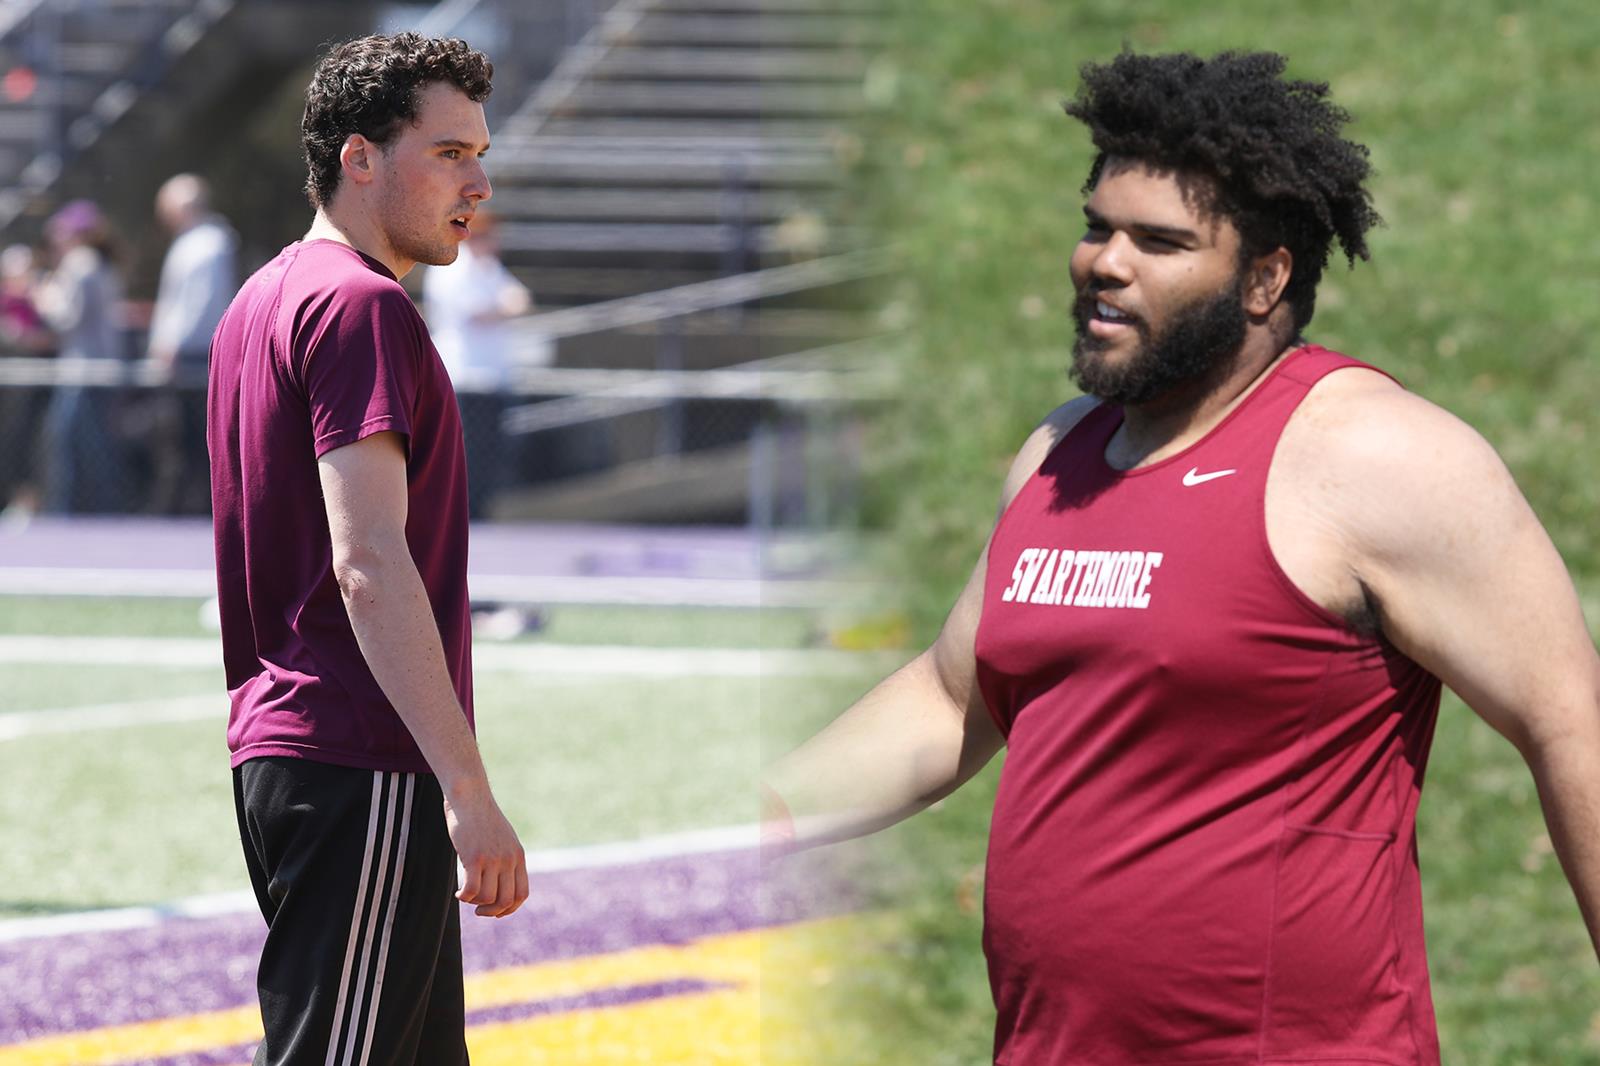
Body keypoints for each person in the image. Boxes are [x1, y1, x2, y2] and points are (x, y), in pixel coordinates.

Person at [763, 50, 1600, 1064]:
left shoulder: (1375, 456)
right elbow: (950, 699)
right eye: (1095, 226)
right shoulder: (1058, 455)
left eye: (1158, 241)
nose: (1103, 261)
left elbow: (1571, 725)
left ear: (1264, 278)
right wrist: (751, 820)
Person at [207, 32, 526, 1065]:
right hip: (358, 754)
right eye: (447, 152)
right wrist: (467, 790)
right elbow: (367, 560)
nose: (476, 180)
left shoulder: (263, 298)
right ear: (358, 158)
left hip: (307, 751)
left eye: (478, 152)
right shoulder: (359, 304)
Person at [420, 207, 540, 519]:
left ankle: (476, 517)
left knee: (490, 457)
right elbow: (478, 312)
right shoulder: (452, 268)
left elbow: (520, 299)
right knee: (462, 455)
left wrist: (502, 308)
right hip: (463, 376)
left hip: (494, 376)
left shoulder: (488, 267)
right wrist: (503, 309)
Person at [147, 172, 238, 514]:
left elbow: (199, 305)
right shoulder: (201, 242)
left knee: (193, 442)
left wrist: (172, 344)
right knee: (184, 442)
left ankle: (195, 509)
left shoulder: (207, 244)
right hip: (188, 356)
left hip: (192, 358)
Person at [35, 200, 126, 514]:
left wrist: (43, 298)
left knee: (71, 451)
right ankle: (98, 512)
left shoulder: (80, 263)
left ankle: (69, 515)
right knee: (93, 449)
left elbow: (66, 319)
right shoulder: (98, 263)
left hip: (83, 373)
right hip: (94, 371)